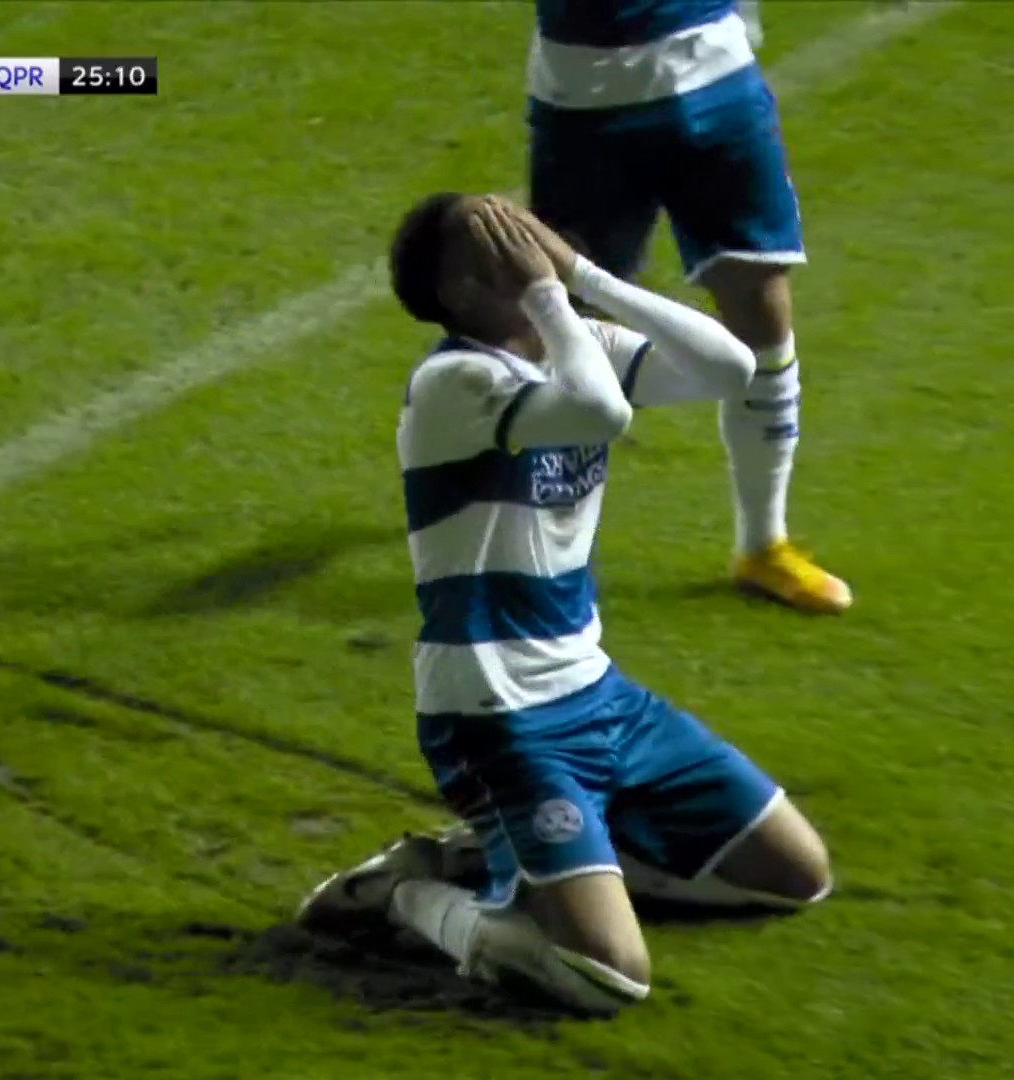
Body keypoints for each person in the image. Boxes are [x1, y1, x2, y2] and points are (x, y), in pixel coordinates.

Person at [295, 193, 832, 1014]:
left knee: (795, 877)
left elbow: (732, 365)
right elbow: (599, 412)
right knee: (604, 977)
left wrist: (582, 277)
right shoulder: (455, 380)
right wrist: (552, 292)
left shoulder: (571, 348)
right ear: (471, 291)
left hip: (598, 691)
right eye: (512, 248)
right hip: (497, 709)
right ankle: (403, 895)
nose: (537, 248)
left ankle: (509, 859)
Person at [524, 0, 852, 614]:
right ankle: (538, 540)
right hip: (585, 97)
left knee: (757, 298)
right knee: (568, 327)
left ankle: (763, 545)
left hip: (717, 77)